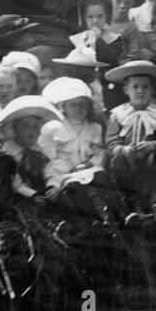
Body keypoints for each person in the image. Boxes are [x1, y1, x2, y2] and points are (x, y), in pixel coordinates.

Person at [103, 55, 156, 225]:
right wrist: (125, 149)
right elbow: (110, 141)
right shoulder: (118, 114)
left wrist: (153, 145)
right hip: (129, 158)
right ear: (126, 90)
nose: (140, 91)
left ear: (152, 89)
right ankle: (133, 207)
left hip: (150, 158)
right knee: (119, 162)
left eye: (145, 87)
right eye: (135, 87)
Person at [40, 76, 117, 224]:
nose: (78, 108)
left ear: (88, 107)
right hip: (64, 174)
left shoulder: (94, 128)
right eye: (73, 105)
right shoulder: (53, 128)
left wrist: (91, 163)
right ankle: (91, 221)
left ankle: (116, 215)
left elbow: (99, 151)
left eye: (82, 104)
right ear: (63, 106)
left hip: (88, 170)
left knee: (100, 179)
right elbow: (49, 159)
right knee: (74, 188)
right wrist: (58, 180)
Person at [0, 95, 63, 203]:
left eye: (36, 126)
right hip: (16, 199)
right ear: (14, 128)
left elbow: (51, 171)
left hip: (40, 196)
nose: (32, 131)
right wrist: (32, 195)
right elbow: (14, 182)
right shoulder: (7, 154)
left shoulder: (39, 152)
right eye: (25, 126)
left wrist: (53, 186)